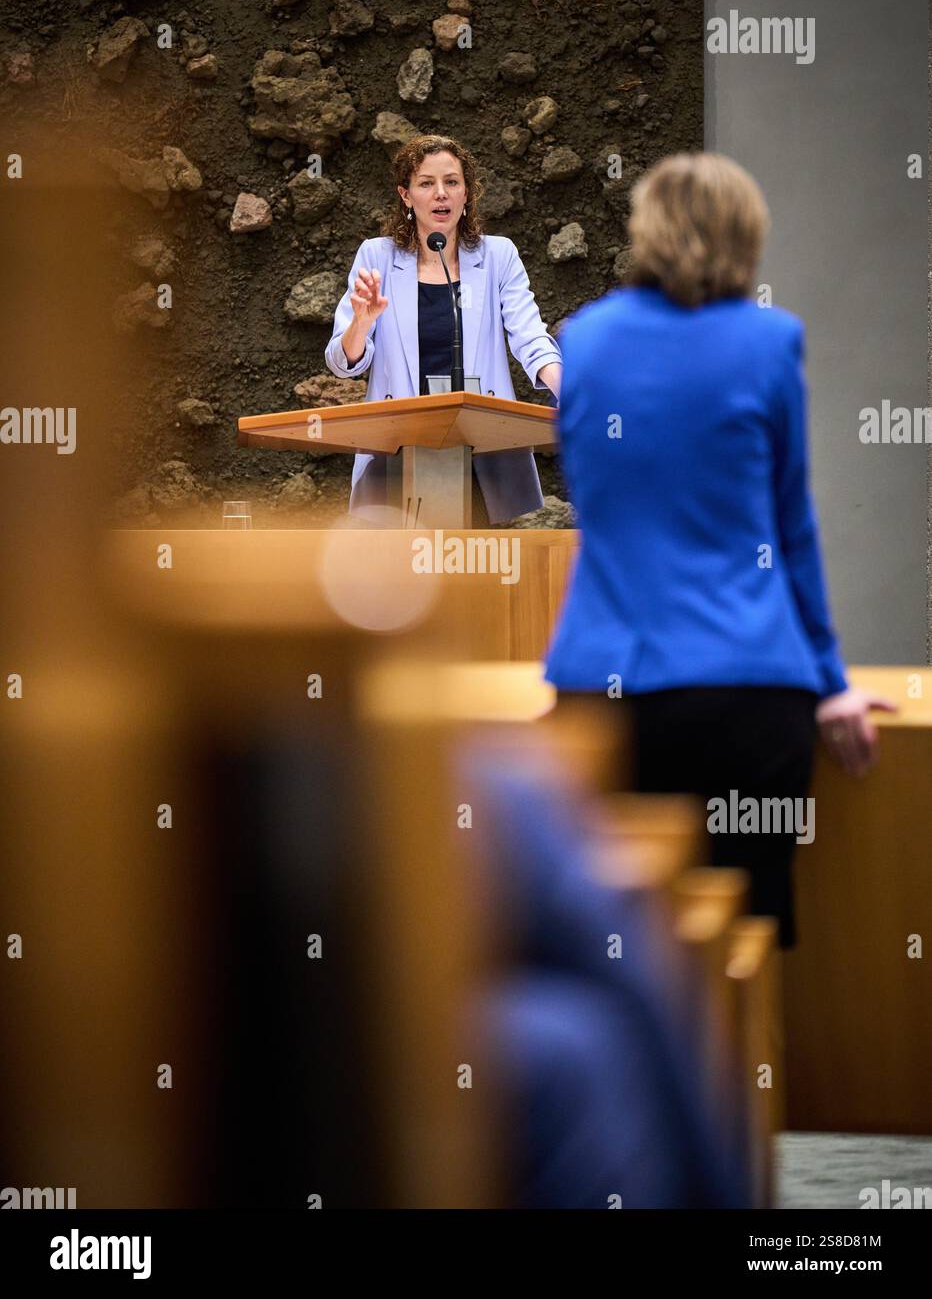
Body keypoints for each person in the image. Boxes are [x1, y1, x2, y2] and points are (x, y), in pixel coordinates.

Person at [544, 152, 896, 947]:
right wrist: (830, 678)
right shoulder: (770, 342)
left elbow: (596, 498)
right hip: (749, 687)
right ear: (746, 236)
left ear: (646, 229)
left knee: (619, 945)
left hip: (607, 687)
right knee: (748, 932)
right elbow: (790, 523)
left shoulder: (585, 340)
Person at [324, 134, 562, 525]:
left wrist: (569, 391)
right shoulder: (377, 256)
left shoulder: (498, 255)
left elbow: (529, 335)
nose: (441, 193)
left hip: (483, 452)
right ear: (406, 195)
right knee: (403, 563)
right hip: (398, 451)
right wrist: (361, 324)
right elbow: (341, 362)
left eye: (452, 182)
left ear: (467, 193)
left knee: (477, 563)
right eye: (426, 183)